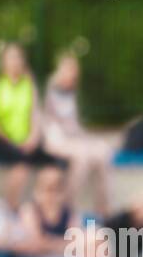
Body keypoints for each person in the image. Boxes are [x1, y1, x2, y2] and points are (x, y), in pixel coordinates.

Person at [0, 44, 58, 209]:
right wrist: (14, 143)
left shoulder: (29, 86)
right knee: (22, 162)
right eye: (11, 57)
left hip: (25, 140)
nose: (15, 62)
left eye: (18, 57)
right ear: (4, 62)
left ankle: (50, 208)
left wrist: (33, 137)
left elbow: (35, 114)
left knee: (55, 161)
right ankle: (10, 207)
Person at [42, 54, 113, 218]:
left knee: (104, 152)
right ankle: (68, 205)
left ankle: (103, 207)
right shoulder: (52, 89)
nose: (71, 76)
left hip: (72, 136)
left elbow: (73, 124)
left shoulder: (71, 92)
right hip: (57, 138)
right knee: (82, 157)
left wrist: (88, 139)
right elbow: (54, 124)